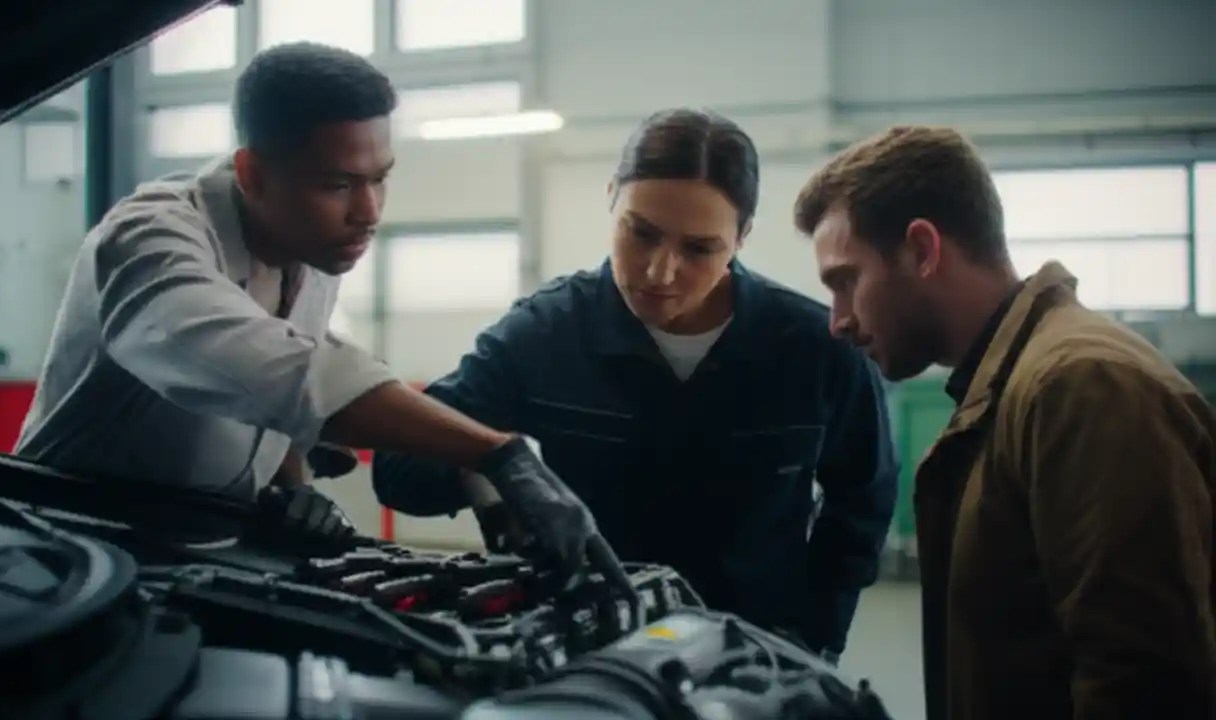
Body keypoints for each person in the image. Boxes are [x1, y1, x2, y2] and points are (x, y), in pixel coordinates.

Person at [14, 42, 624, 587]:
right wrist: (498, 455)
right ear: (252, 173)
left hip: (199, 558)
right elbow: (255, 364)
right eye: (338, 185)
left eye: (379, 179)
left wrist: (291, 488)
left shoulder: (311, 249)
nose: (369, 212)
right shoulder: (149, 238)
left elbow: (281, 378)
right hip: (63, 559)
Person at [373, 107, 899, 663]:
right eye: (641, 233)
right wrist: (494, 470)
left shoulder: (816, 349)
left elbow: (862, 502)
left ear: (741, 237)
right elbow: (401, 471)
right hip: (587, 658)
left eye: (699, 249)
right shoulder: (543, 334)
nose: (659, 272)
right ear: (611, 199)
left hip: (753, 659)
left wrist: (814, 639)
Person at [796, 125, 1216, 719]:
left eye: (846, 281)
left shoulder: (1081, 385)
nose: (837, 320)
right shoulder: (1012, 387)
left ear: (922, 250)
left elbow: (1144, 682)